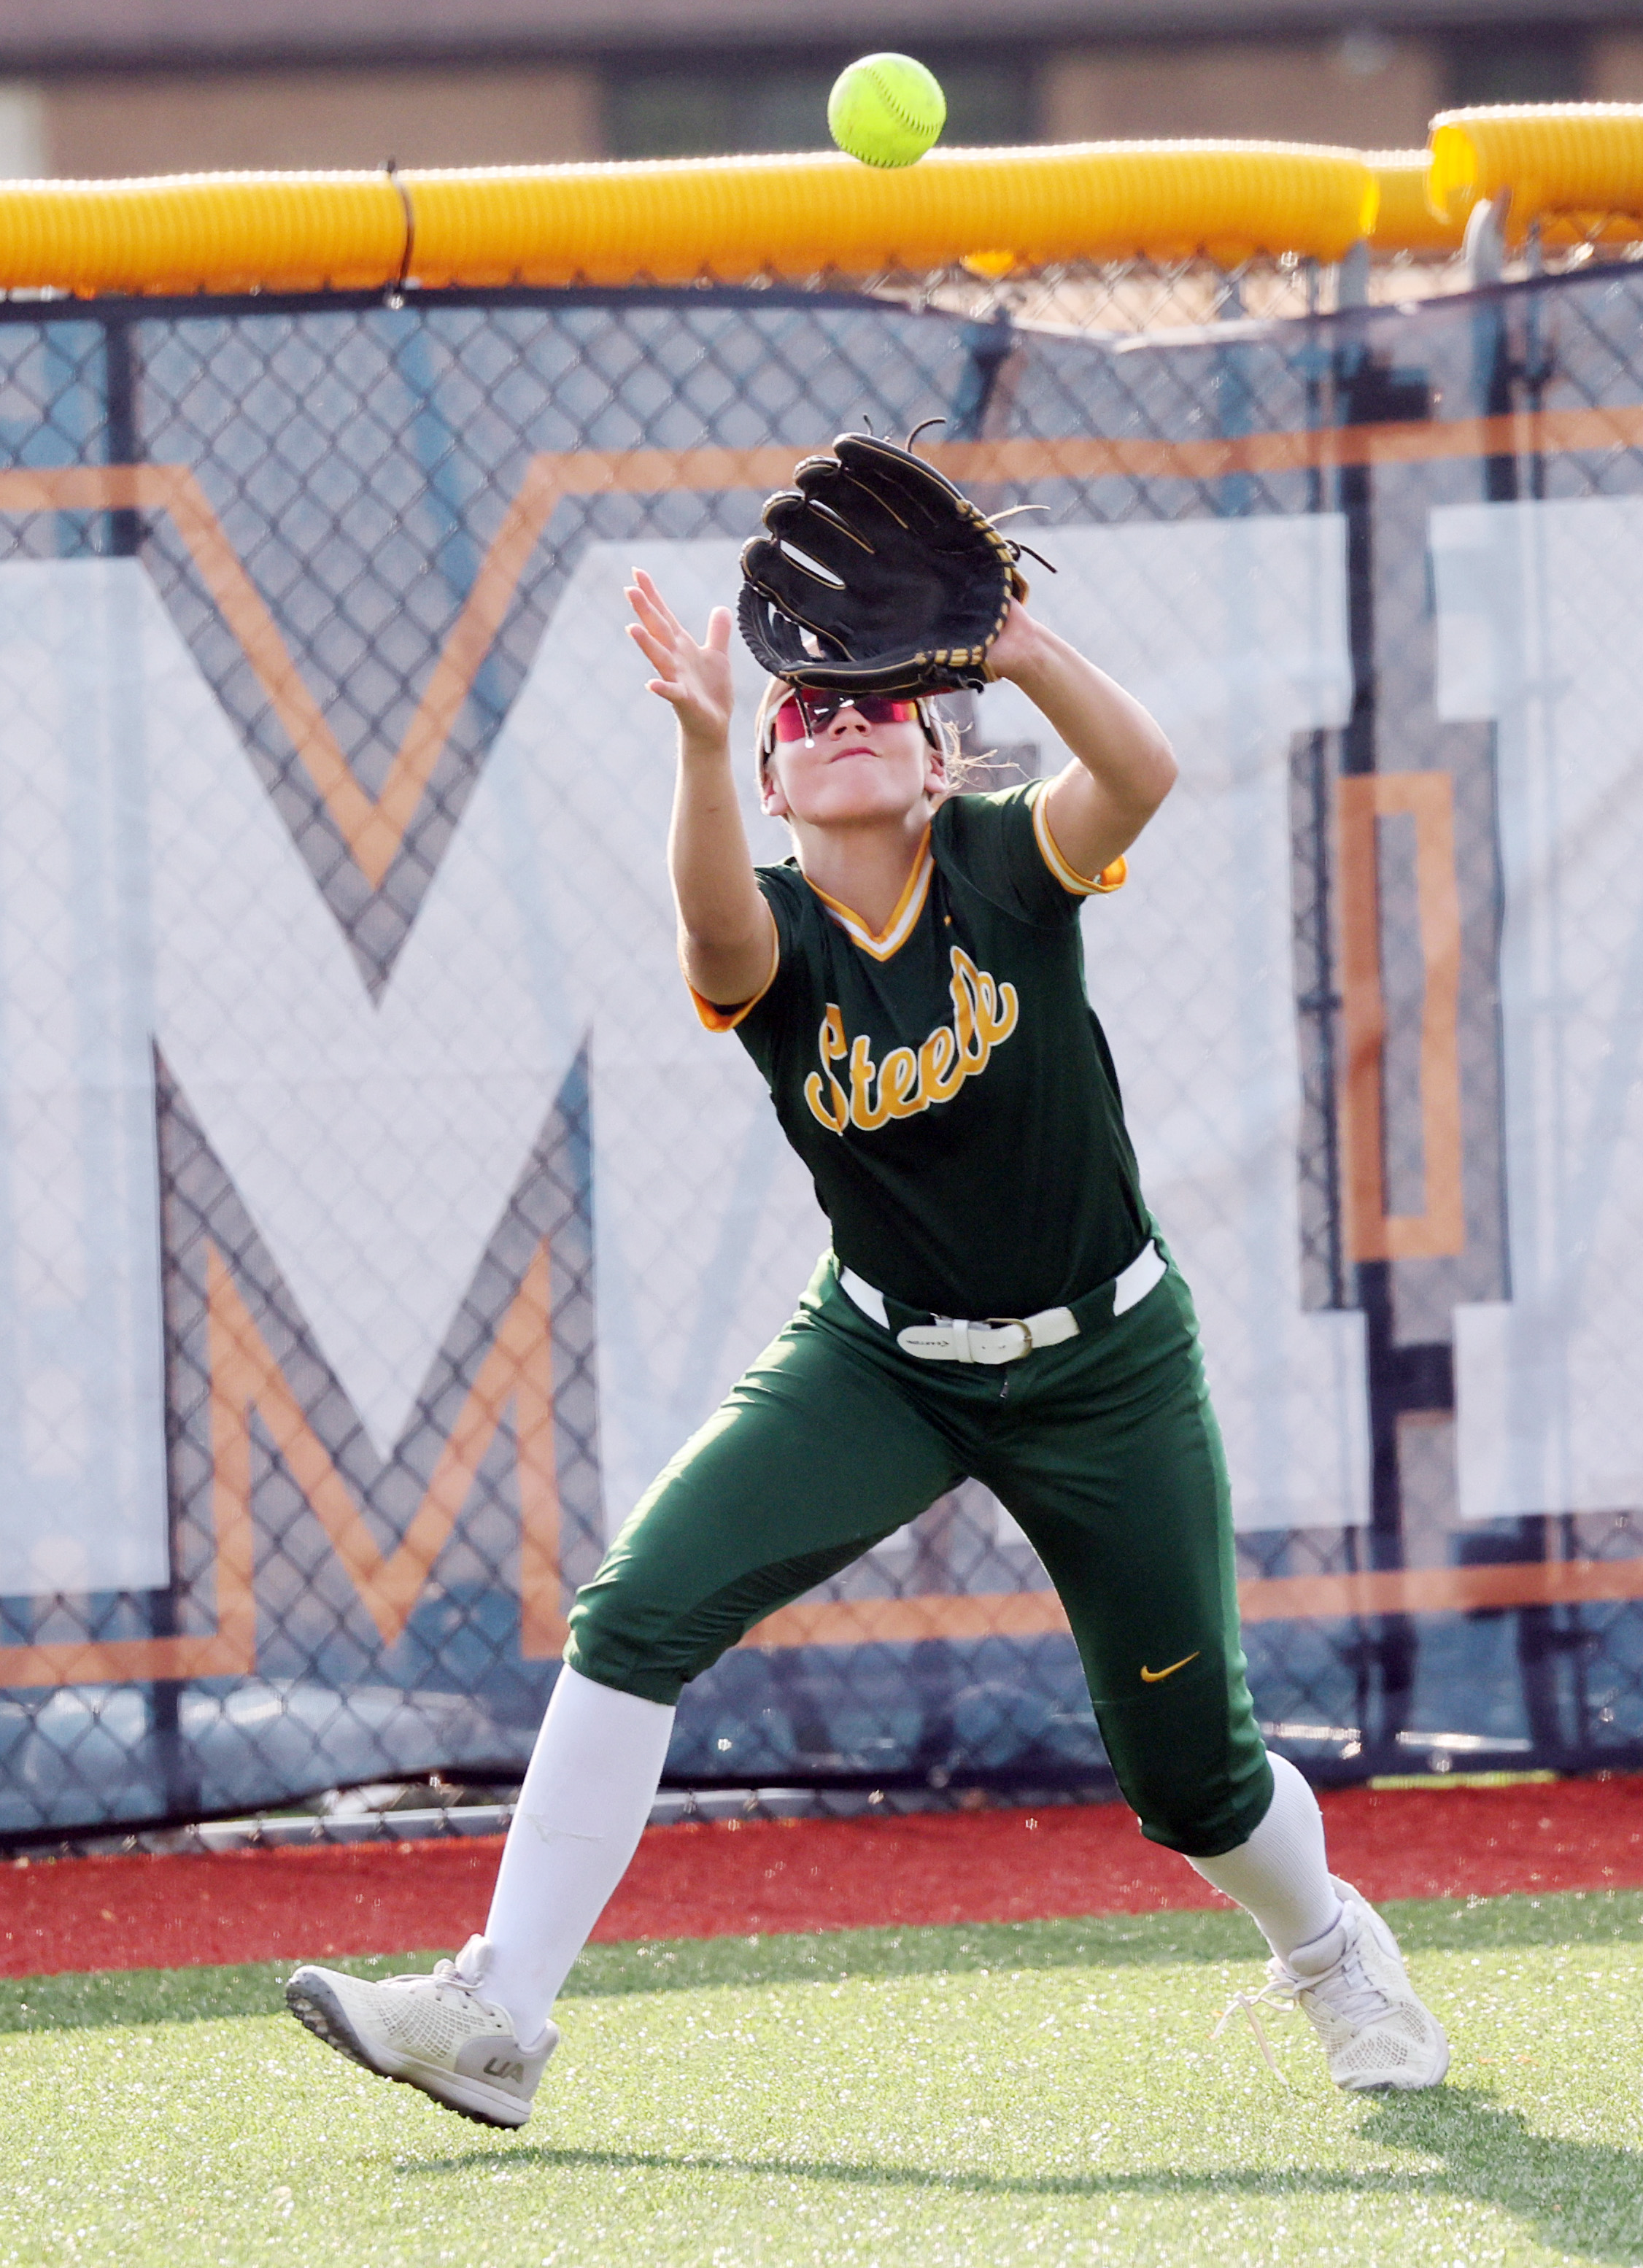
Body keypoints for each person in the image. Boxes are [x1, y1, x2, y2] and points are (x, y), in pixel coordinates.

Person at [285, 565, 1448, 2127]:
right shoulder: (766, 918)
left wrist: (1022, 645)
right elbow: (710, 935)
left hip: (1105, 1364)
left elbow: (1141, 775)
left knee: (1191, 1780)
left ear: (936, 752)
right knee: (635, 1611)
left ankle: (1327, 1946)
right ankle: (499, 2009)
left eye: (878, 701)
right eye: (803, 711)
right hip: (883, 1358)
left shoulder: (1000, 861)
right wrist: (699, 742)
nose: (841, 721)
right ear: (772, 778)